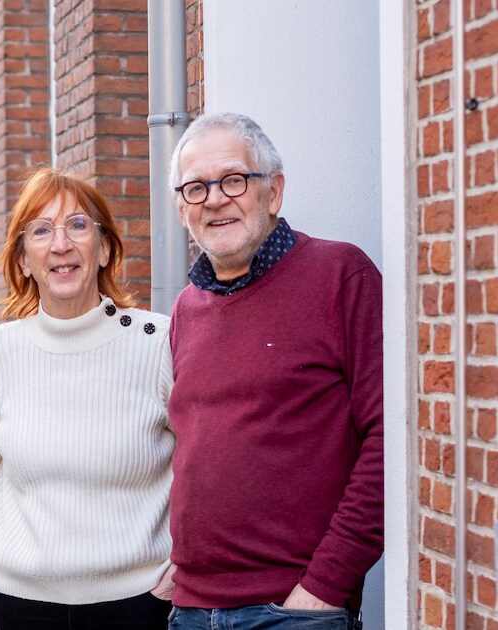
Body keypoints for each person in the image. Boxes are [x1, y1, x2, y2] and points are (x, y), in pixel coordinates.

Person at [0, 167, 175, 629]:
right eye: (41, 231)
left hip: (142, 604)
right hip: (22, 606)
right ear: (23, 260)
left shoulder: (159, 342)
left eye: (78, 226)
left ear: (103, 249)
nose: (61, 245)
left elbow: (208, 468)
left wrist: (180, 573)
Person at [164, 112, 383, 629]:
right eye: (196, 188)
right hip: (191, 610)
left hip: (292, 610)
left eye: (234, 180)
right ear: (181, 209)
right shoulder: (186, 309)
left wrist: (325, 585)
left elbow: (389, 441)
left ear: (274, 192)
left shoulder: (340, 276)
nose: (215, 199)